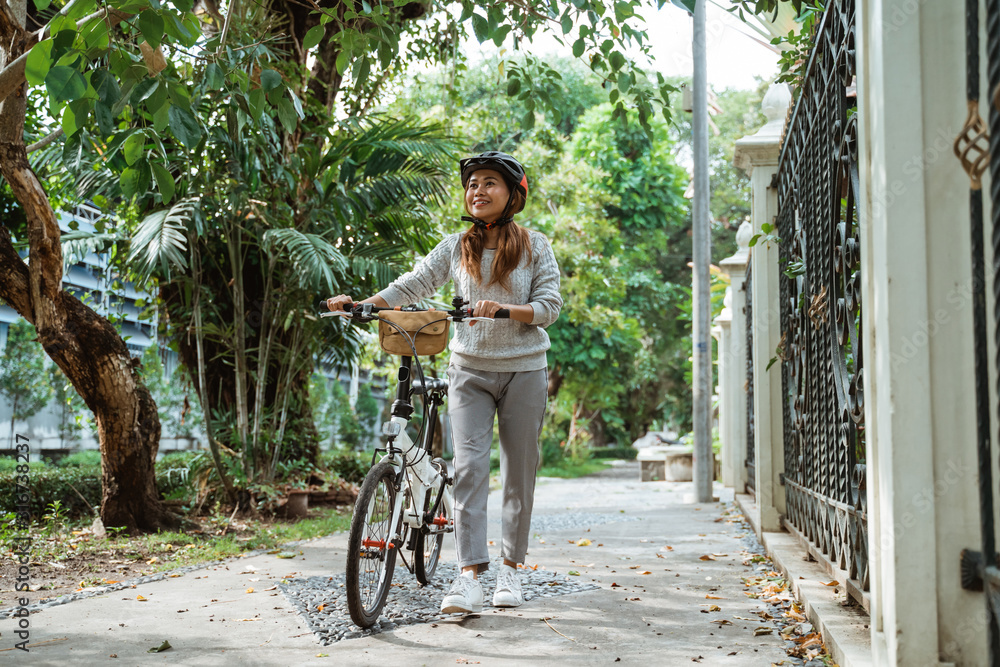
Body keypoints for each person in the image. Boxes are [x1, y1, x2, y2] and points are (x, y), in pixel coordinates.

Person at [326, 151, 562, 614]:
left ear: (513, 194)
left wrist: (503, 309)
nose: (478, 191)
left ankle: (511, 573)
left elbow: (549, 306)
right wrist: (364, 303)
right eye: (472, 184)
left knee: (519, 474)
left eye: (490, 183)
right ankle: (469, 576)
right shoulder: (457, 246)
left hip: (525, 371)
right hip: (469, 370)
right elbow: (415, 283)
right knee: (470, 468)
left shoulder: (536, 246)